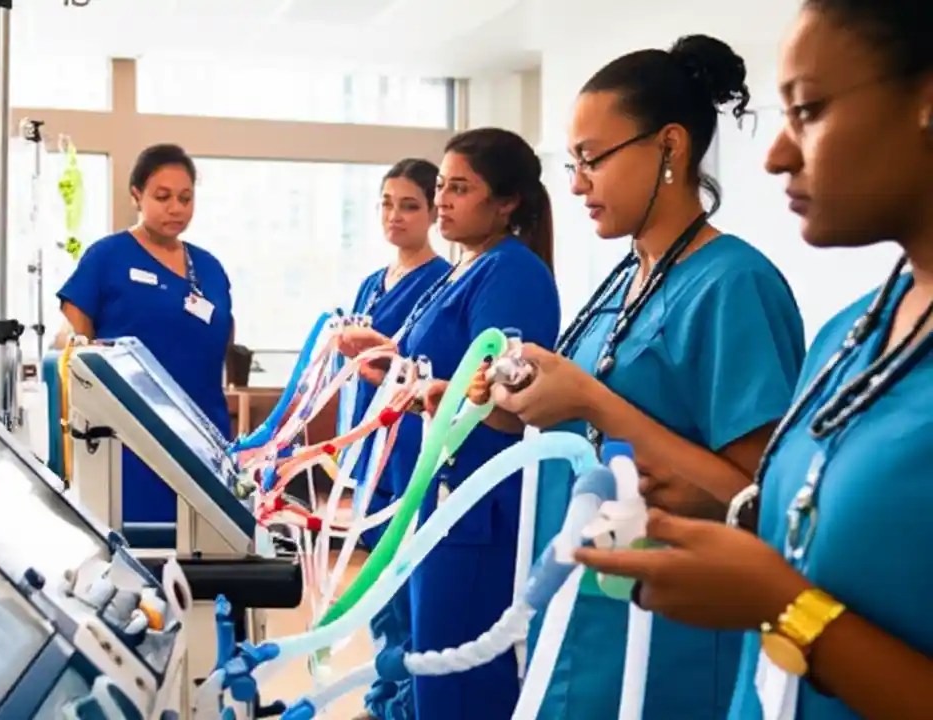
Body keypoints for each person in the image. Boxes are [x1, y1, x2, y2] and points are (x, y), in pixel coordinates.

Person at [577, 2, 933, 719]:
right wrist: (729, 516)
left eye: (808, 110)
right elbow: (791, 518)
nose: (775, 154)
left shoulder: (735, 282)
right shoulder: (847, 337)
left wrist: (784, 606)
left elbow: (794, 586)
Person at [480, 35, 806, 718]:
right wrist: (509, 403)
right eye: (571, 163)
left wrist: (594, 401)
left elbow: (755, 500)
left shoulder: (733, 284)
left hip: (667, 646)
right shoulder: (620, 283)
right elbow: (580, 422)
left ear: (670, 147)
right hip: (578, 615)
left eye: (592, 160)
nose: (575, 184)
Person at [339, 128, 561, 719]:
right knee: (428, 665)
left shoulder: (511, 273)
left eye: (459, 188)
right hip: (434, 503)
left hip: (471, 509)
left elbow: (502, 398)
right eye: (441, 185)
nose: (443, 200)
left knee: (457, 674)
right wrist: (388, 360)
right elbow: (440, 368)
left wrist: (424, 391)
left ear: (506, 201)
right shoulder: (461, 269)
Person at [58, 143, 233, 525]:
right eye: (163, 196)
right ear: (136, 195)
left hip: (204, 433)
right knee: (138, 545)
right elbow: (73, 343)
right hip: (130, 438)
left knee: (207, 545)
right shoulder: (107, 257)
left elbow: (221, 340)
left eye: (185, 198)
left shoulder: (209, 267)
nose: (176, 208)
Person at [348, 158, 450, 720]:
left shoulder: (440, 282)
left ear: (434, 212)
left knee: (411, 585)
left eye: (410, 204)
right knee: (379, 584)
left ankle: (406, 705)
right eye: (387, 203)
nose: (395, 215)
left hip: (412, 449)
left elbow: (430, 364)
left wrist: (385, 350)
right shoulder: (372, 281)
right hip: (373, 454)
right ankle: (383, 697)